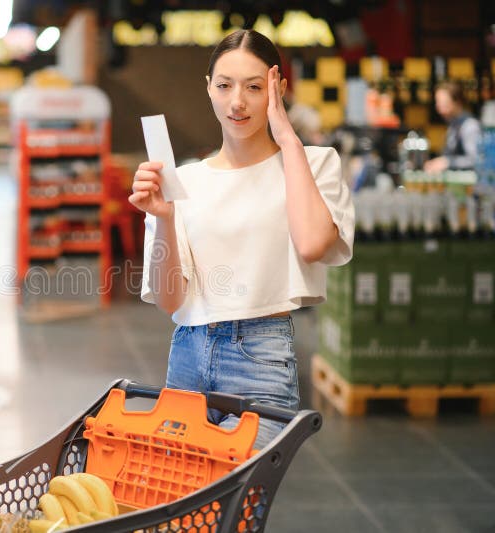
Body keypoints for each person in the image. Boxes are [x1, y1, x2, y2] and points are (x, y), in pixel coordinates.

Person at [130, 30, 354, 449]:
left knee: (241, 505)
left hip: (262, 357)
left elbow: (312, 245)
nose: (238, 102)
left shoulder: (313, 165)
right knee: (185, 507)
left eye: (254, 87)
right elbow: (170, 300)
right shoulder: (185, 181)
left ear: (279, 89)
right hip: (187, 355)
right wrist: (162, 218)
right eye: (225, 85)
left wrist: (287, 137)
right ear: (209, 89)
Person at [424, 81, 482, 173]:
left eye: (443, 103)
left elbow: (476, 160)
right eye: (437, 102)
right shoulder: (453, 124)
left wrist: (448, 162)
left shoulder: (469, 125)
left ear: (457, 102)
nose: (438, 107)